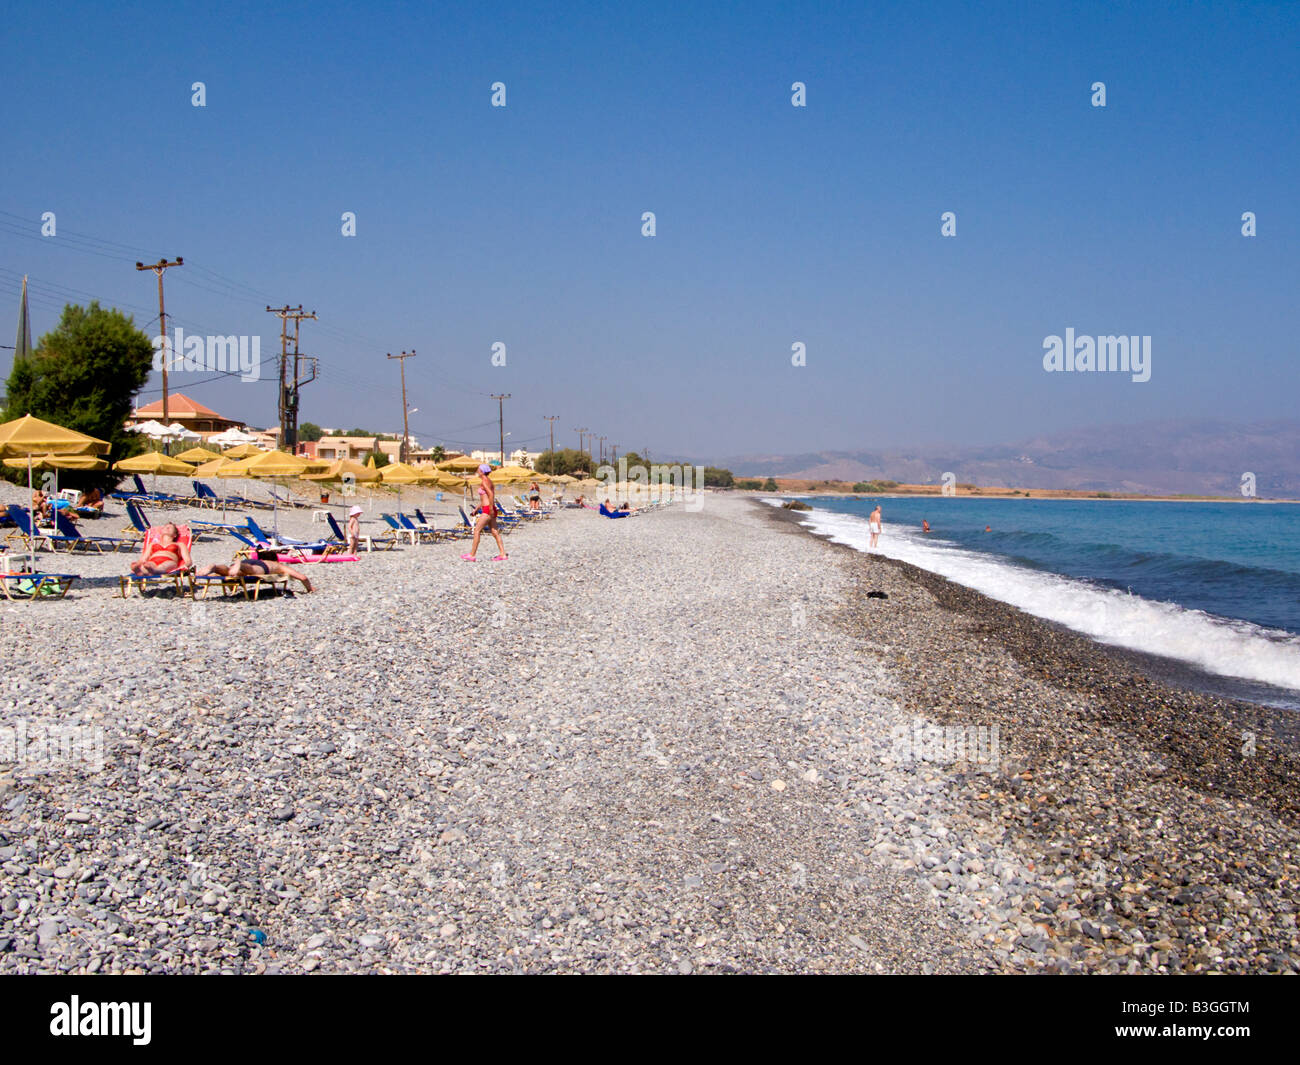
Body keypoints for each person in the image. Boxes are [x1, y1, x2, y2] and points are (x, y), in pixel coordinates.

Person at [197, 551, 314, 593]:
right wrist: (310, 589)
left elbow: (232, 580)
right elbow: (302, 577)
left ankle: (215, 567)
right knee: (253, 570)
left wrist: (232, 588)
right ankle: (240, 564)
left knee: (228, 571)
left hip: (245, 563)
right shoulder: (276, 565)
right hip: (256, 567)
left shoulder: (256, 559)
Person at [461, 464, 507, 561]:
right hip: (490, 508)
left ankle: (472, 555)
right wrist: (477, 509)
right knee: (494, 532)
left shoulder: (485, 481)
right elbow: (484, 499)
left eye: (478, 470)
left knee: (477, 530)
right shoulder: (488, 481)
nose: (477, 471)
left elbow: (490, 494)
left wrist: (490, 508)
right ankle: (503, 554)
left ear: (482, 471)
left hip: (488, 509)